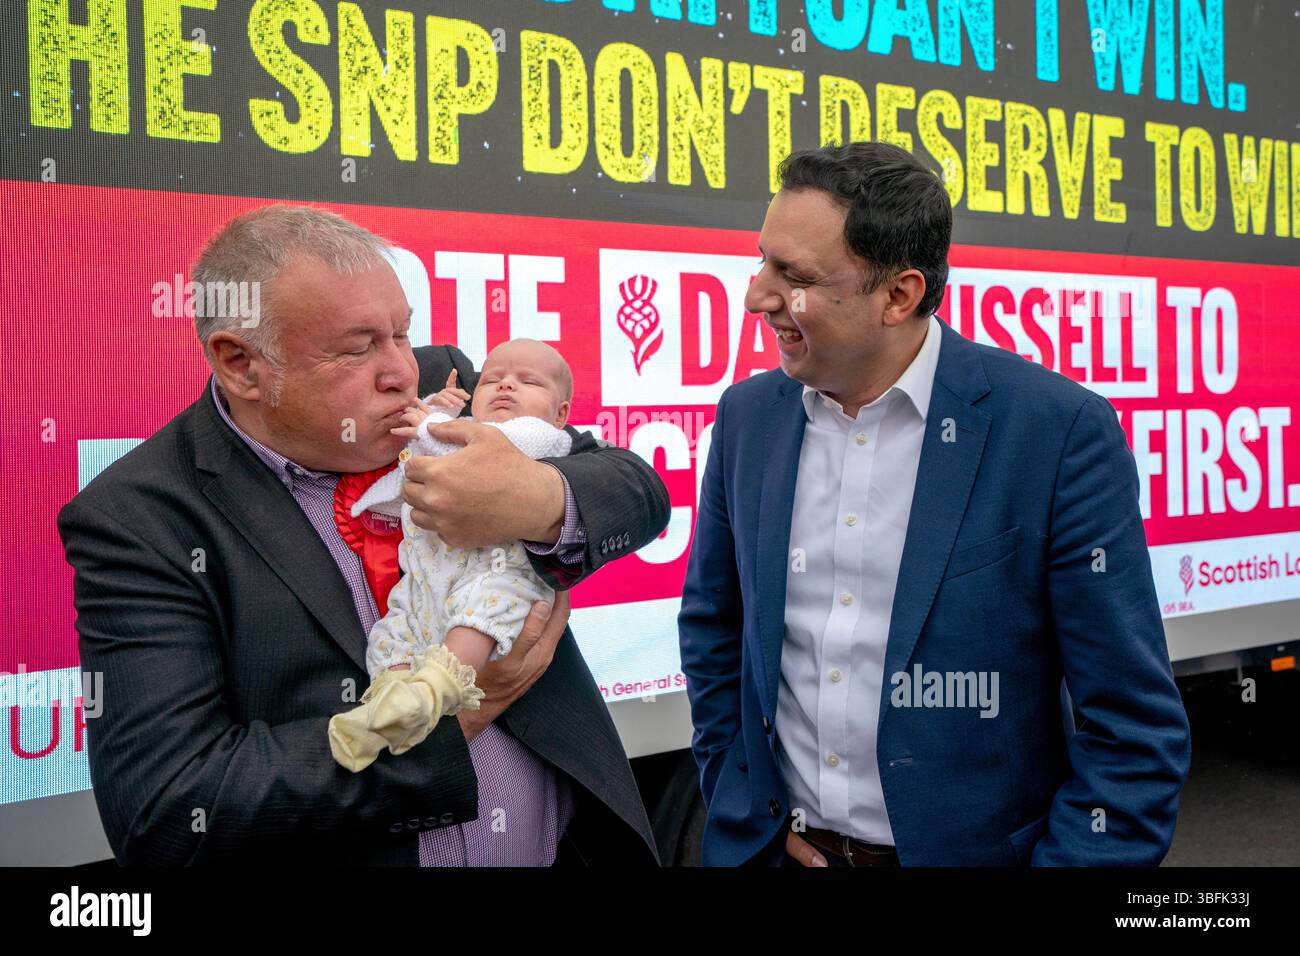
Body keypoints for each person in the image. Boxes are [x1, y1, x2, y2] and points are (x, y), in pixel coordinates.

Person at [59, 204, 670, 866]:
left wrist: (536, 498)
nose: (402, 373)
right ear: (242, 365)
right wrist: (460, 709)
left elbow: (638, 489)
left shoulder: (450, 389)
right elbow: (171, 812)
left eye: (401, 334)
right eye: (356, 348)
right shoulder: (141, 517)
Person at [678, 142, 1191, 867]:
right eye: (763, 260)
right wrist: (746, 814)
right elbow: (714, 630)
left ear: (898, 295)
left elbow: (1133, 732)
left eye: (794, 276)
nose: (758, 295)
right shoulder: (747, 419)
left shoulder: (1055, 433)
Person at [328, 340, 578, 772]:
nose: (505, 386)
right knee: (396, 626)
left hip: (496, 573)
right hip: (430, 578)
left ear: (560, 413)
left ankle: (435, 689)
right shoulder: (463, 427)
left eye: (527, 381)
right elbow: (415, 468)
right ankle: (390, 704)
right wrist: (434, 415)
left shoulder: (538, 437)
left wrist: (430, 421)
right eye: (493, 379)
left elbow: (461, 449)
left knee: (479, 617)